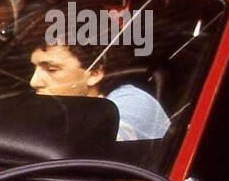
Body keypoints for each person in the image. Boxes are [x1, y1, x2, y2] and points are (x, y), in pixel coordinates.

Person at [28, 43, 170, 141]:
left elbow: (93, 154)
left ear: (94, 73)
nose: (34, 82)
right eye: (35, 68)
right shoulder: (62, 110)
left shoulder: (134, 103)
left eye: (51, 69)